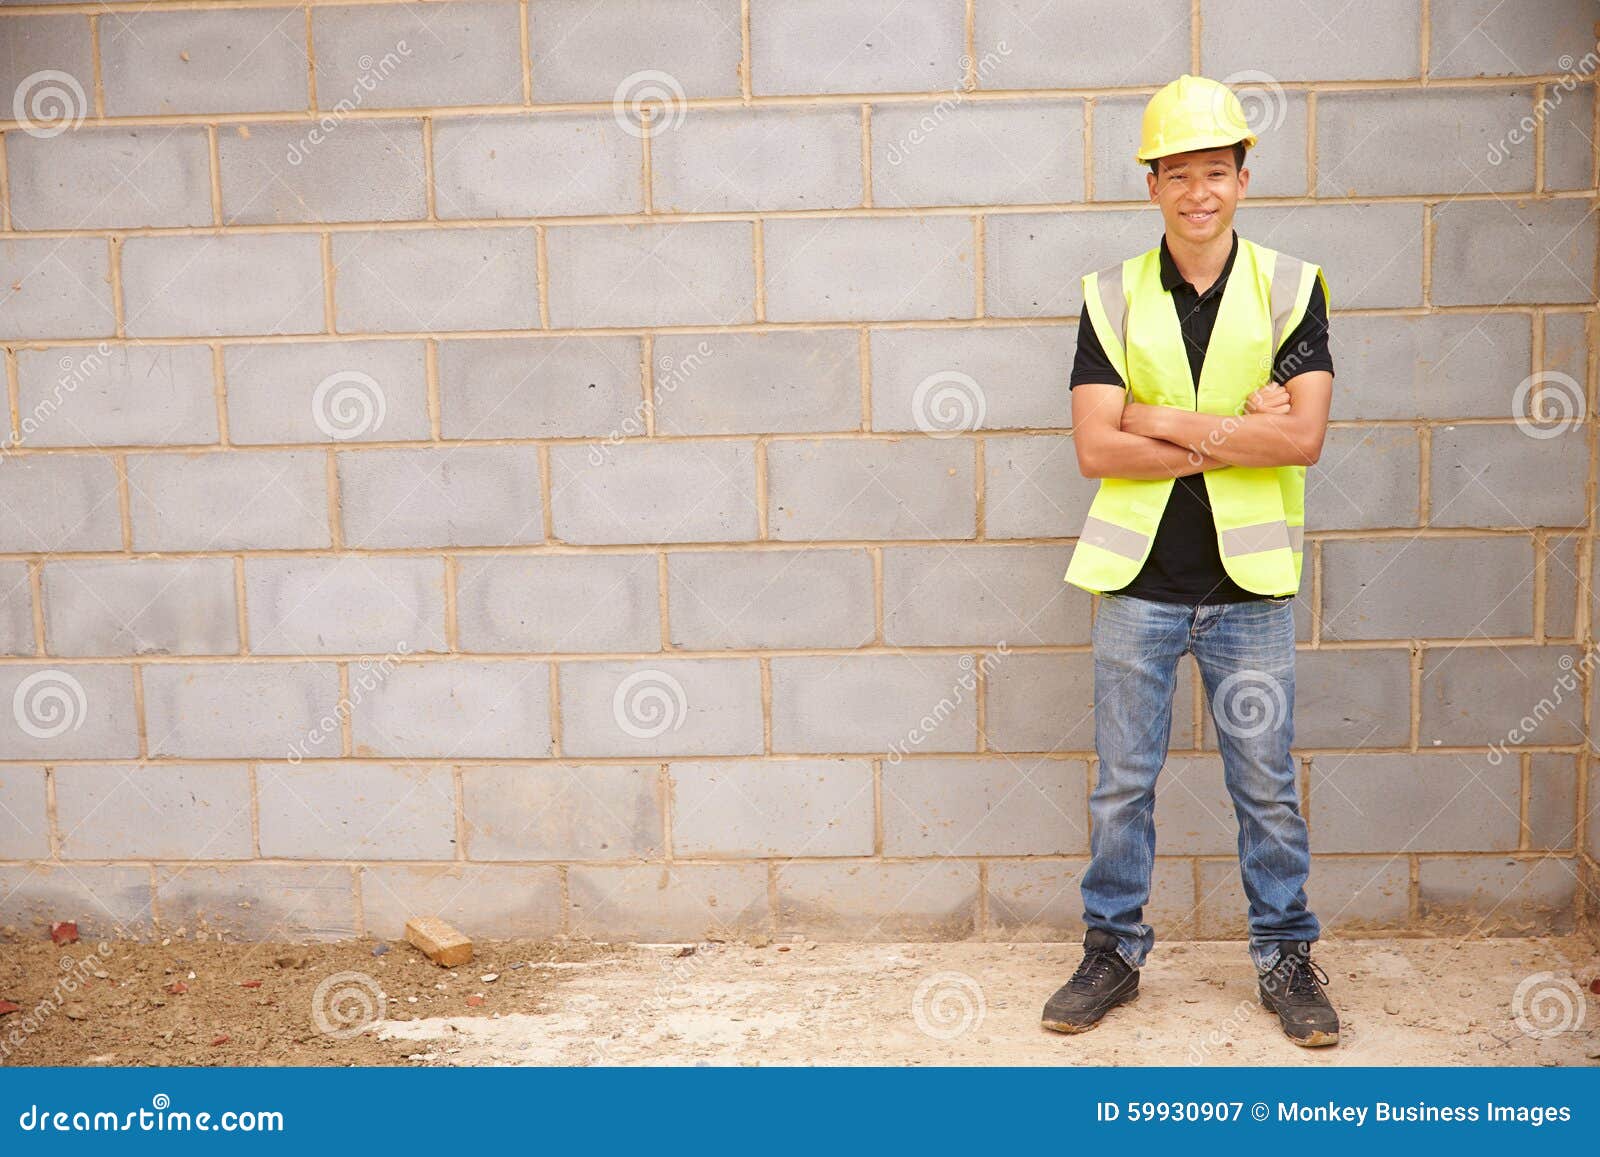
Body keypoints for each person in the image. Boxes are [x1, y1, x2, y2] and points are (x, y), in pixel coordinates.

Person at [1040, 74, 1339, 1047]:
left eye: (1217, 171)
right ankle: (1112, 951)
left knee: (1266, 783)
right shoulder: (1112, 294)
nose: (1198, 191)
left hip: (1247, 588)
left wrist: (1157, 417)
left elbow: (1301, 440)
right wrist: (1227, 426)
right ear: (1152, 185)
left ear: (1243, 180)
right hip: (1137, 583)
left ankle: (1286, 957)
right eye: (1179, 174)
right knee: (1121, 783)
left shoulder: (1292, 287)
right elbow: (1095, 448)